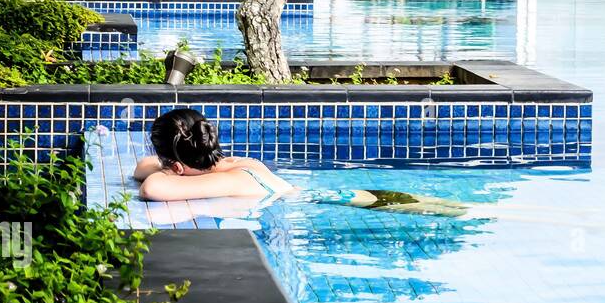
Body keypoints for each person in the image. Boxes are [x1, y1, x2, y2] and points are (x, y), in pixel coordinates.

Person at [135, 108, 470, 216]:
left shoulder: (229, 179)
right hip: (336, 194)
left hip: (326, 202)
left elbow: (152, 185)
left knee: (448, 211)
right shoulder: (228, 164)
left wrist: (170, 170)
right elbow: (144, 167)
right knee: (451, 208)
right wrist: (172, 165)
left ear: (178, 165)